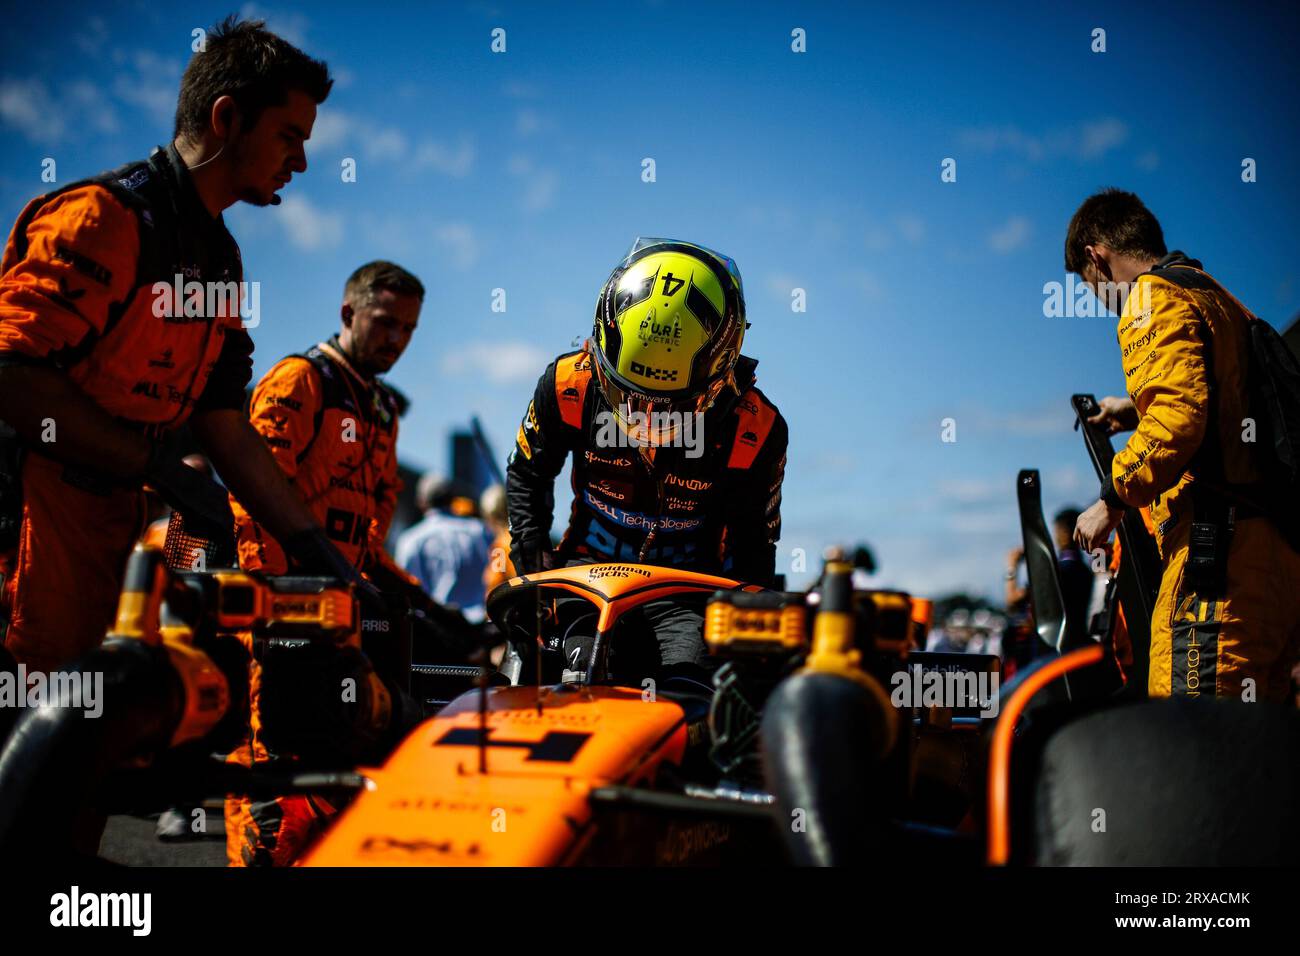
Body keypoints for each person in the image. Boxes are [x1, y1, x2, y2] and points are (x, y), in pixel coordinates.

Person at [0, 16, 357, 684]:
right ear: (226, 118)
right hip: (29, 526)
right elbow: (10, 372)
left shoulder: (219, 259)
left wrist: (312, 545)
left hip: (116, 527)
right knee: (35, 750)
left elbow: (224, 422)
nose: (302, 162)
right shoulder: (103, 219)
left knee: (125, 740)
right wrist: (160, 465)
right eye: (289, 136)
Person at [506, 237, 787, 683]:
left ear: (722, 368)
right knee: (570, 668)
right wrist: (531, 558)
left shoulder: (755, 427)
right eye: (629, 394)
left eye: (667, 403)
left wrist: (747, 638)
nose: (646, 416)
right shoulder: (567, 385)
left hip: (688, 587)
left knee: (692, 688)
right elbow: (527, 472)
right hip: (586, 574)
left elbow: (752, 545)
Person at [225, 260, 431, 867]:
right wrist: (279, 597)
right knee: (272, 778)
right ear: (349, 314)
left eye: (409, 329)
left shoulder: (381, 410)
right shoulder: (301, 381)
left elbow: (369, 533)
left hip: (341, 623)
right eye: (386, 322)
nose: (397, 339)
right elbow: (250, 490)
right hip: (282, 615)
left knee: (331, 793)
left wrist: (424, 602)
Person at [1068, 188, 1300, 701]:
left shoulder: (1150, 297)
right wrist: (1131, 410)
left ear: (1096, 257)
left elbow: (1177, 422)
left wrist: (1111, 499)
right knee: (1264, 759)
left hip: (1218, 563)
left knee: (1193, 748)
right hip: (1279, 558)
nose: (1102, 304)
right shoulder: (1216, 295)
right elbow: (1226, 393)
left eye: (1091, 289)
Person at [395, 474, 494, 623]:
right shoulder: (481, 531)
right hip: (481, 627)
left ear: (421, 501)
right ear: (454, 499)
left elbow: (403, 590)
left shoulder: (411, 540)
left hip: (435, 629)